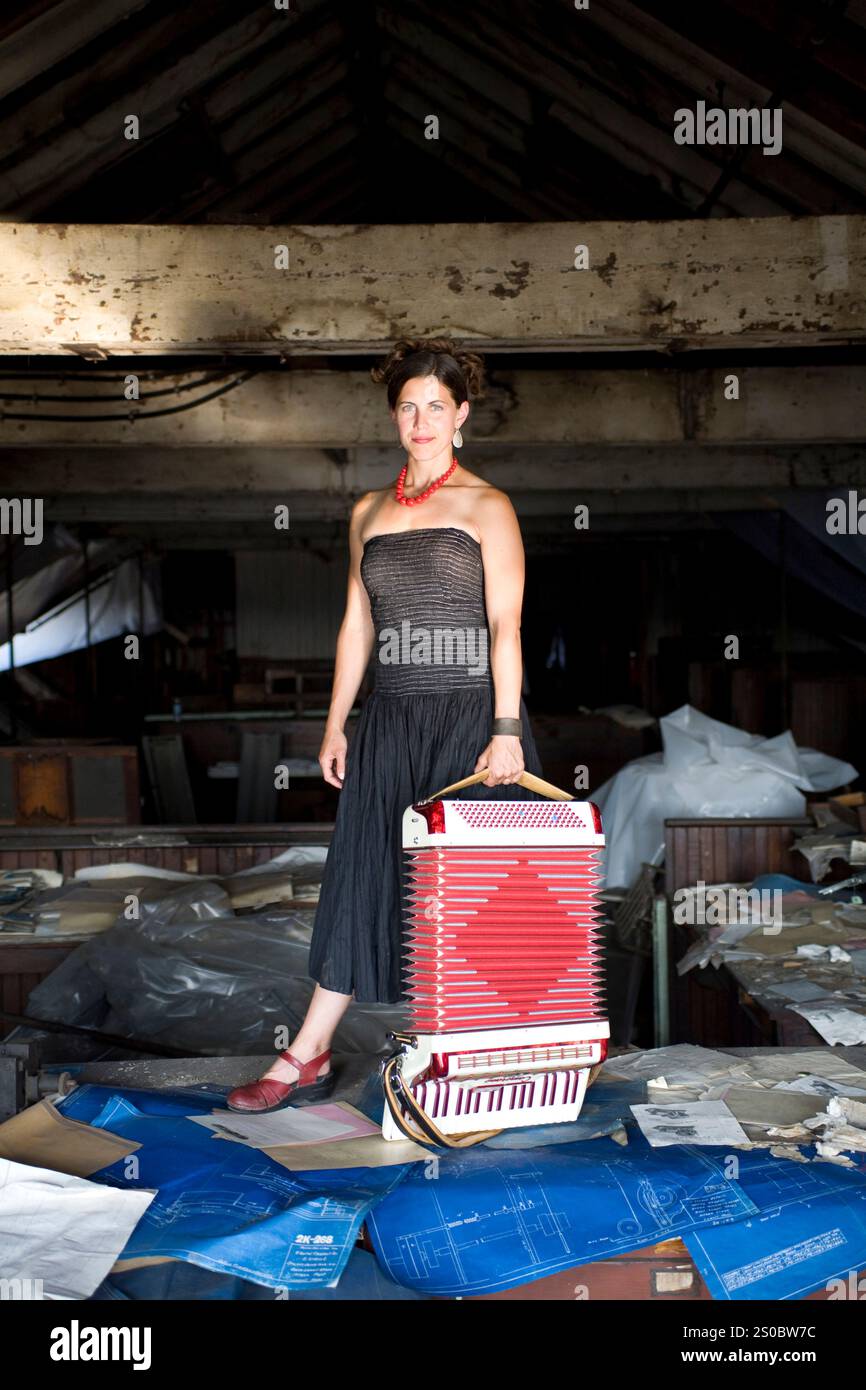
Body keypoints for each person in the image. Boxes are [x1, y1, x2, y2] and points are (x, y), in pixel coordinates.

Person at [226, 336, 545, 1113]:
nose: (422, 419)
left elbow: (506, 626)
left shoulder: (486, 506)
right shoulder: (367, 511)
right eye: (408, 406)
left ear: (461, 415)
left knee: (473, 894)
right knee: (365, 873)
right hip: (391, 720)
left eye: (436, 405)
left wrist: (505, 727)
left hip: (471, 719)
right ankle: (305, 1053)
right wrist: (335, 725)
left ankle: (478, 1060)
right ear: (395, 417)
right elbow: (355, 628)